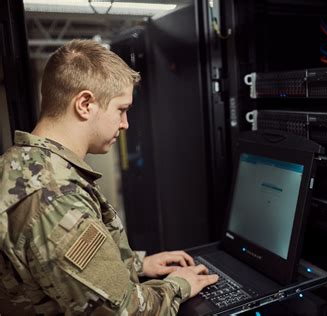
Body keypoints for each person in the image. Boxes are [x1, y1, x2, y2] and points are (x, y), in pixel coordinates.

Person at [0, 39, 218, 315]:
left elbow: (52, 269)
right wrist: (179, 285)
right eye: (121, 109)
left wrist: (137, 264)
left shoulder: (19, 163)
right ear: (85, 104)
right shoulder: (55, 198)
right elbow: (124, 312)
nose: (125, 124)